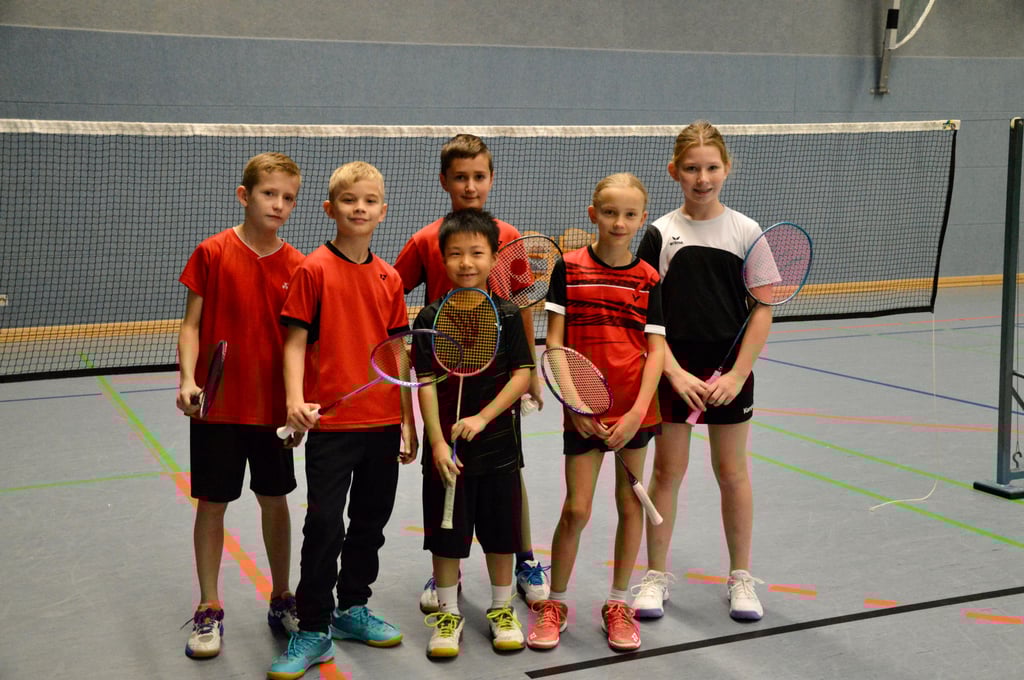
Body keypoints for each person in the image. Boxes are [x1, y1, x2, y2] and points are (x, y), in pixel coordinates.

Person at [267, 161, 418, 680]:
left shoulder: (389, 277)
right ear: (330, 209)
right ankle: (312, 627)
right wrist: (294, 400)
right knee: (325, 524)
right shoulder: (313, 271)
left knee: (369, 524)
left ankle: (352, 607)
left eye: (370, 201)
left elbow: (399, 352)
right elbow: (293, 344)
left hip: (380, 425)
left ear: (383, 210)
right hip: (330, 428)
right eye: (350, 201)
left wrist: (408, 420)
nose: (360, 208)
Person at [393, 133, 550, 610]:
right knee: (448, 472)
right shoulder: (426, 240)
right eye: (460, 177)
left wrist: (533, 370)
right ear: (444, 181)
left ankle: (521, 557)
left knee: (507, 471)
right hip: (445, 377)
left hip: (498, 374)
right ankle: (448, 573)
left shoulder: (508, 235)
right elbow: (389, 291)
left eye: (478, 176)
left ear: (491, 178)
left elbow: (521, 304)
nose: (470, 185)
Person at [634, 120, 769, 622]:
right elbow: (649, 319)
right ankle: (655, 575)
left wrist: (736, 375)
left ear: (726, 169)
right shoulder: (659, 234)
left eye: (712, 167)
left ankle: (740, 578)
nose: (702, 177)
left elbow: (762, 309)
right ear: (675, 171)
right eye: (692, 168)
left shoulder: (747, 232)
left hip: (731, 374)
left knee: (732, 474)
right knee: (667, 472)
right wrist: (672, 373)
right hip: (674, 374)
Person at [526, 174, 665, 652]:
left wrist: (639, 412)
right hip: (583, 410)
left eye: (629, 214)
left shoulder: (649, 278)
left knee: (631, 507)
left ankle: (618, 603)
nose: (619, 222)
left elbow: (656, 349)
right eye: (610, 213)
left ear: (642, 219)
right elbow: (557, 342)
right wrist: (574, 404)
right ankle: (556, 602)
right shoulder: (568, 268)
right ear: (593, 215)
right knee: (577, 508)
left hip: (634, 413)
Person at [176, 152, 304, 659]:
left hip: (272, 409)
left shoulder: (298, 265)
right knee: (212, 505)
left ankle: (282, 596)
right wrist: (188, 378)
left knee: (276, 503)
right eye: (269, 193)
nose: (278, 204)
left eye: (288, 197)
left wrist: (297, 405)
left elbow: (301, 342)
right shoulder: (212, 252)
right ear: (244, 195)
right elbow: (191, 325)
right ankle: (209, 607)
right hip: (218, 407)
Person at [413, 209, 534, 657]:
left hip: (499, 443)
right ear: (443, 259)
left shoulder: (506, 312)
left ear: (494, 257)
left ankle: (502, 609)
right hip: (447, 450)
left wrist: (483, 417)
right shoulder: (429, 316)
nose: (467, 263)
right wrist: (438, 442)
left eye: (477, 253)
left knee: (502, 532)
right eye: (456, 254)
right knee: (446, 535)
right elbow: (425, 382)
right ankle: (447, 614)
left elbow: (523, 373)